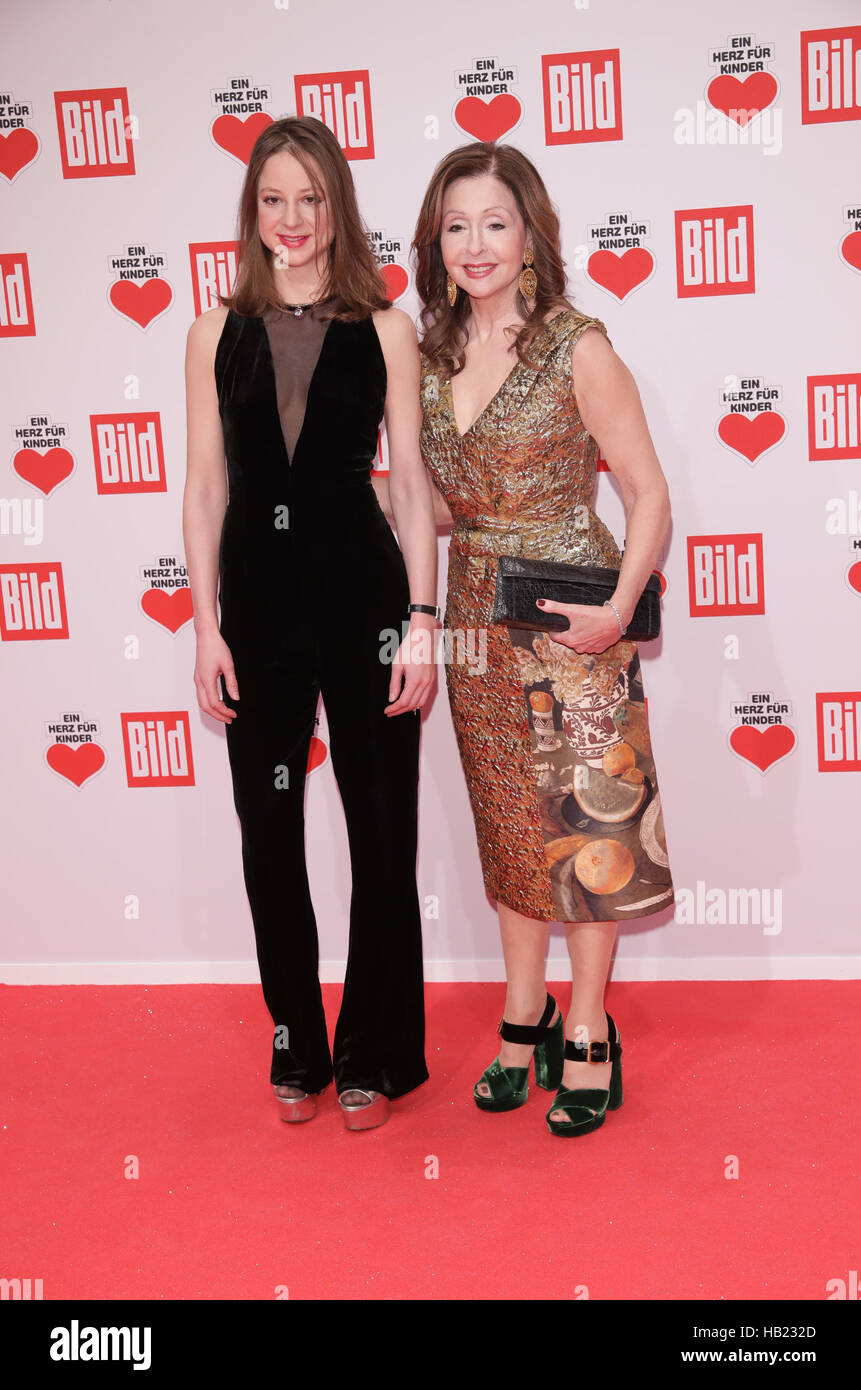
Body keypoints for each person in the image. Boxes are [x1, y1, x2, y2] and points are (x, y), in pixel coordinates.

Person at [411, 141, 674, 1137]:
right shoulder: (433, 360)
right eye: (455, 225)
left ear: (529, 236)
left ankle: (590, 1030)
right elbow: (445, 506)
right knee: (511, 833)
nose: (474, 244)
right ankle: (522, 1014)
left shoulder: (577, 346)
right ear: (436, 243)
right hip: (476, 625)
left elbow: (648, 493)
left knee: (586, 834)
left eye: (493, 223)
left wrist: (616, 607)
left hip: (570, 620)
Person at [182, 116, 438, 1131]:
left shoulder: (384, 328)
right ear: (253, 210)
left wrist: (421, 619)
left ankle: (375, 1047)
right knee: (267, 834)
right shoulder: (213, 330)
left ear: (338, 209)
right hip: (255, 607)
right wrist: (205, 627)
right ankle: (298, 1041)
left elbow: (410, 484)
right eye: (272, 199)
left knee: (382, 832)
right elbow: (204, 488)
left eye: (310, 199)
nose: (290, 219)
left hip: (364, 595)